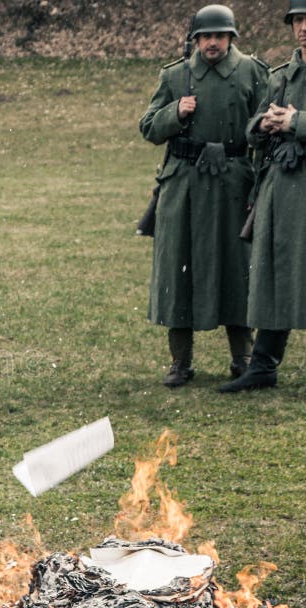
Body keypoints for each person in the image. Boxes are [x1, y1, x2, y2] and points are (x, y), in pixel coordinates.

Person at [139, 4, 269, 387]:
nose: (212, 43)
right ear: (195, 40)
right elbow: (148, 126)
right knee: (178, 267)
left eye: (220, 35)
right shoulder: (175, 76)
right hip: (184, 184)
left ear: (232, 38)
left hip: (234, 182)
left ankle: (242, 356)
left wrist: (258, 186)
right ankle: (180, 362)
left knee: (237, 268)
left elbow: (264, 130)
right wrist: (175, 112)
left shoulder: (253, 73)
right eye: (205, 36)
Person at [219, 0, 306, 392]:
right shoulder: (282, 75)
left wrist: (296, 122)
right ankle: (263, 365)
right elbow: (253, 123)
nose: (303, 27)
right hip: (278, 187)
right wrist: (266, 123)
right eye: (298, 20)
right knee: (273, 272)